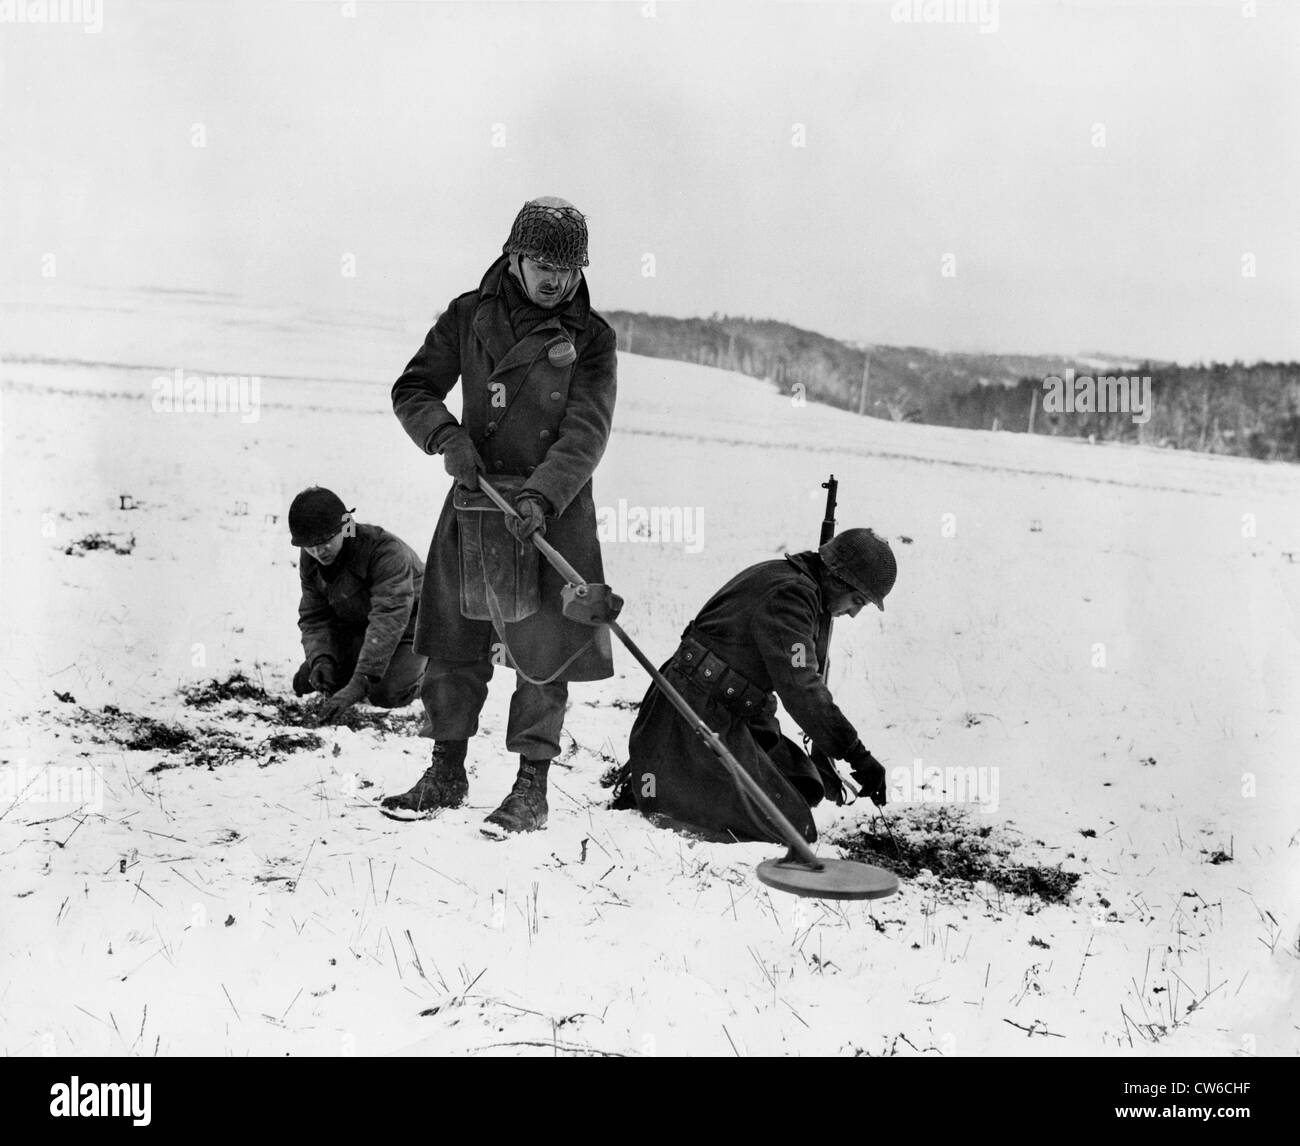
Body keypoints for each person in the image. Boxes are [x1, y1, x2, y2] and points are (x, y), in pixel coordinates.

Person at [385, 196, 617, 835]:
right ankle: (446, 769)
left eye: (570, 270)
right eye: (544, 263)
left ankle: (530, 789)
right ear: (514, 255)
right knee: (455, 643)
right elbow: (413, 389)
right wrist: (445, 437)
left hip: (551, 509)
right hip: (476, 500)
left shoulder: (592, 339)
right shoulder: (467, 316)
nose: (557, 280)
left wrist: (542, 495)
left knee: (546, 655)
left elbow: (585, 430)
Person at [614, 528, 897, 844]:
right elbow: (801, 688)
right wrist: (858, 755)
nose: (855, 613)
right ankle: (661, 784)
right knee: (790, 826)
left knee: (805, 784)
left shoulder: (795, 581)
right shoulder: (792, 595)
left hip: (729, 710)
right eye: (857, 600)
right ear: (835, 578)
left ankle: (673, 779)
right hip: (693, 715)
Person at [288, 487, 427, 725]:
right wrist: (322, 658)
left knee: (385, 692)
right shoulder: (311, 556)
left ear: (346, 525)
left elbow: (389, 617)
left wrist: (362, 679)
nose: (318, 551)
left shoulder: (385, 552)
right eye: (310, 545)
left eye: (324, 541)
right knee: (312, 679)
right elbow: (315, 615)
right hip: (362, 627)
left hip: (413, 628)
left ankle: (431, 667)